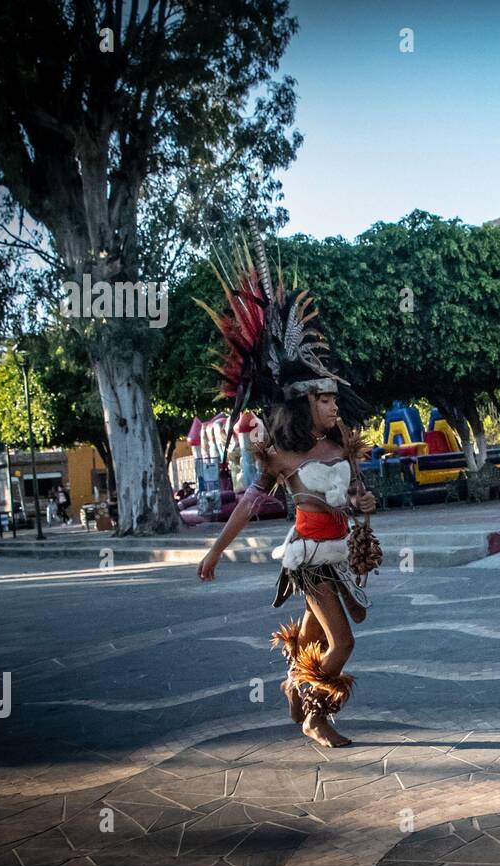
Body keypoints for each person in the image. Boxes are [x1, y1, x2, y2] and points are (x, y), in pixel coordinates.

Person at [196, 237, 378, 749]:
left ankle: (297, 689)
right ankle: (315, 717)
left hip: (340, 553)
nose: (333, 406)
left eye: (334, 398)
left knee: (319, 640)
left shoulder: (341, 444)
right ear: (303, 405)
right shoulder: (281, 456)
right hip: (308, 558)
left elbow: (358, 497)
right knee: (343, 641)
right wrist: (214, 551)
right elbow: (249, 506)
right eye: (324, 399)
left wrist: (364, 505)